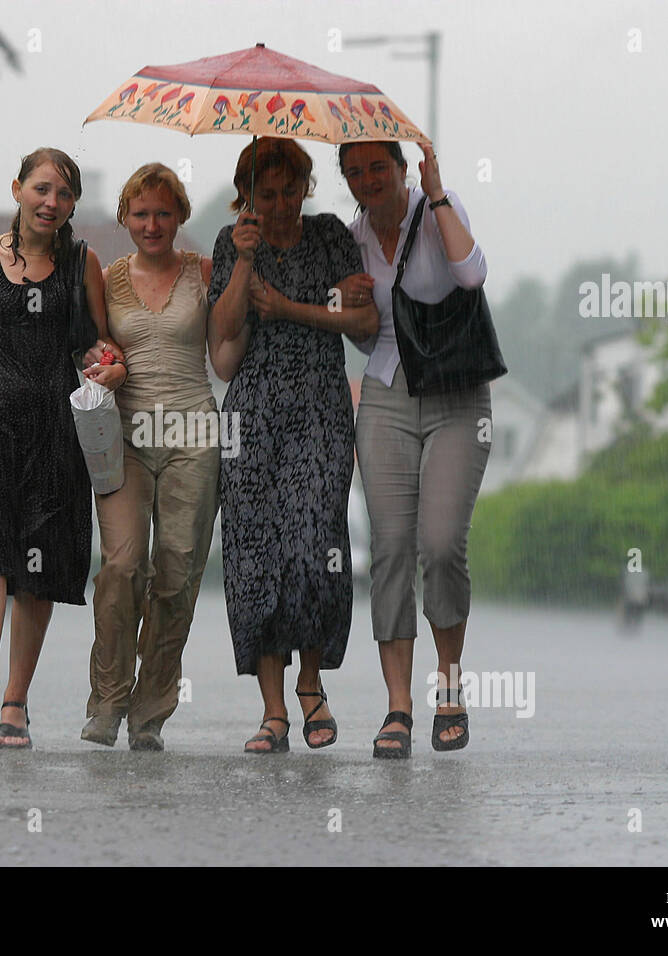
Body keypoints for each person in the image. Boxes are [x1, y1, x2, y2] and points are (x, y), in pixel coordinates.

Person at [0, 147, 126, 750]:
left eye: (64, 195)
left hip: (54, 428)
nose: (51, 203)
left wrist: (110, 366)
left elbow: (99, 345)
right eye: (41, 189)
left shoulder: (82, 264)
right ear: (16, 189)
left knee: (38, 562)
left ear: (72, 206)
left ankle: (15, 702)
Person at [208, 137, 379, 754]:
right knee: (256, 559)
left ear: (306, 188)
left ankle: (312, 683)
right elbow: (223, 344)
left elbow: (362, 325)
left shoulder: (332, 237)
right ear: (246, 197)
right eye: (266, 195)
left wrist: (288, 307)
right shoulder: (232, 244)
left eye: (289, 192)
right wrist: (247, 266)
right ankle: (274, 711)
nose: (279, 205)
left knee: (313, 549)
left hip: (319, 412)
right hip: (251, 415)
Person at [337, 140, 491, 757]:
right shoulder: (352, 239)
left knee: (441, 543)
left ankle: (448, 687)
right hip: (386, 394)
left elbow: (472, 273)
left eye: (379, 167)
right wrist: (349, 308)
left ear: (403, 169)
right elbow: (362, 331)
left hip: (457, 397)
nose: (368, 180)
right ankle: (397, 707)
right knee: (393, 548)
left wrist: (436, 191)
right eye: (354, 172)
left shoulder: (440, 209)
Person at [80, 163, 221, 752]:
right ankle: (109, 697)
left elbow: (233, 338)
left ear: (180, 216)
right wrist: (102, 362)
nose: (153, 223)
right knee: (122, 564)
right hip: (127, 437)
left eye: (164, 212)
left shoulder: (205, 272)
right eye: (141, 214)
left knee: (177, 570)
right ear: (125, 218)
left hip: (193, 431)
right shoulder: (106, 280)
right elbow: (91, 345)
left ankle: (151, 708)